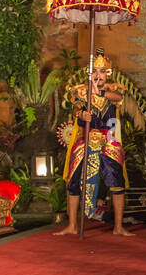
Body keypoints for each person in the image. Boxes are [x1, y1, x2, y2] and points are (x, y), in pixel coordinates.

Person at [55, 49, 132, 237]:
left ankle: (118, 227)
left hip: (108, 141)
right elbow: (76, 106)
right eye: (95, 71)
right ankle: (73, 225)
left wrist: (99, 92)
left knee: (116, 181)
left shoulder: (114, 90)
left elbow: (118, 98)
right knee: (73, 181)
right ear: (90, 73)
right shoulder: (81, 91)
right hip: (86, 140)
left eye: (102, 71)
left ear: (108, 73)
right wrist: (81, 113)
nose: (99, 75)